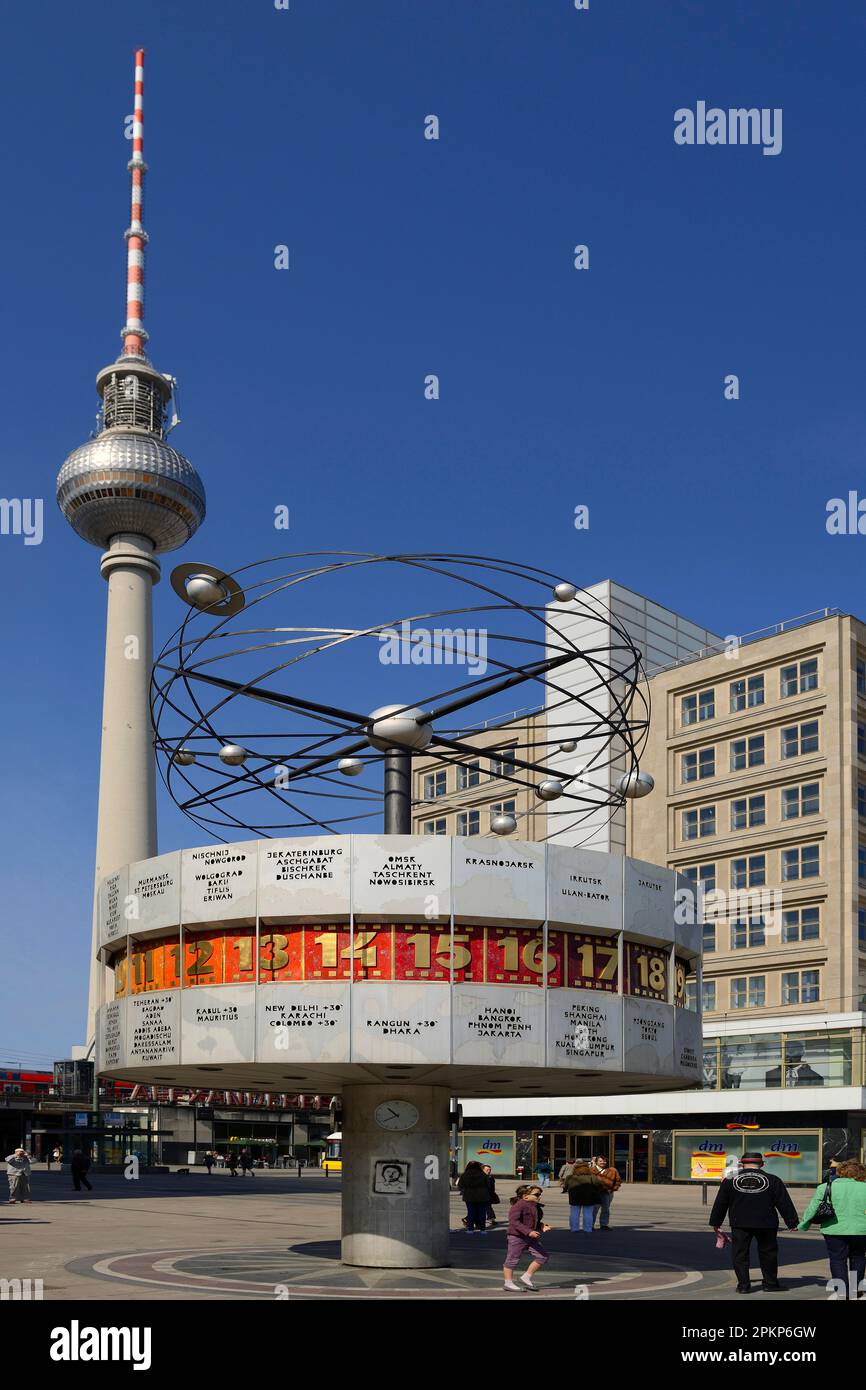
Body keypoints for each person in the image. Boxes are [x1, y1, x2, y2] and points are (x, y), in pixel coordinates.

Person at [709, 1151, 798, 1293]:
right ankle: (770, 1284)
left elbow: (720, 1203)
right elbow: (784, 1202)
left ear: (741, 1164)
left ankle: (744, 1286)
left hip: (740, 1222)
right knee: (768, 1253)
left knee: (740, 1254)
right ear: (762, 1164)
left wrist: (716, 1222)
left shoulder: (730, 1180)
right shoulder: (773, 1179)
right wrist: (792, 1222)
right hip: (766, 1223)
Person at [798, 1159, 866, 1299]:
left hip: (834, 1229)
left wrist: (803, 1224)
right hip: (861, 1230)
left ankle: (841, 1291)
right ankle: (855, 1291)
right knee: (858, 1258)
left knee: (837, 1259)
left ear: (840, 1171)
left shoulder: (825, 1187)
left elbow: (814, 1208)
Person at [503, 1184, 552, 1292]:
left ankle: (525, 1277)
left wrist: (542, 1226)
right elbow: (514, 1221)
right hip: (517, 1237)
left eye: (540, 1194)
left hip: (530, 1236)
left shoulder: (535, 1205)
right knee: (512, 1259)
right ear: (525, 1196)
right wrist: (529, 1232)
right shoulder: (519, 1205)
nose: (539, 1196)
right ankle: (508, 1283)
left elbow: (535, 1222)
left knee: (542, 1256)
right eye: (536, 1194)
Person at [564, 1158, 606, 1233]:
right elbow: (599, 1185)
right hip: (589, 1198)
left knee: (574, 1213)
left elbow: (565, 1187)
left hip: (574, 1198)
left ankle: (574, 1228)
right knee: (588, 1214)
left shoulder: (570, 1177)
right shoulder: (592, 1177)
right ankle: (588, 1229)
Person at [457, 1161, 493, 1233]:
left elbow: (460, 1185)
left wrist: (465, 1190)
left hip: (469, 1196)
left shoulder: (465, 1175)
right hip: (482, 1196)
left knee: (471, 1212)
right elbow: (488, 1185)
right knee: (482, 1213)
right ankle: (482, 1229)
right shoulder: (483, 1175)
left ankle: (470, 1229)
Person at [592, 1154, 622, 1231]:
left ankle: (604, 1225)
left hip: (607, 1193)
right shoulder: (591, 1170)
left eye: (604, 1161)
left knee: (605, 1209)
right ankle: (590, 1225)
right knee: (594, 1210)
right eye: (600, 1161)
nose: (603, 1162)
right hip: (595, 1193)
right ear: (596, 1162)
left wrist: (613, 1189)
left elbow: (618, 1180)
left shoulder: (612, 1170)